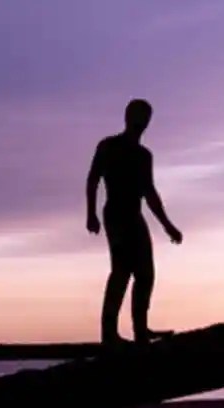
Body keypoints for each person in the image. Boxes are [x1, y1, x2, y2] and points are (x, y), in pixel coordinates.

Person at [86, 98, 183, 346]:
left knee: (146, 274)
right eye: (138, 116)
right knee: (121, 271)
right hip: (115, 215)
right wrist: (91, 213)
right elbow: (93, 179)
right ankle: (109, 334)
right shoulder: (108, 146)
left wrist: (167, 225)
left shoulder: (143, 156)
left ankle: (141, 330)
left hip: (134, 216)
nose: (142, 122)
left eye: (145, 117)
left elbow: (149, 192)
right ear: (127, 117)